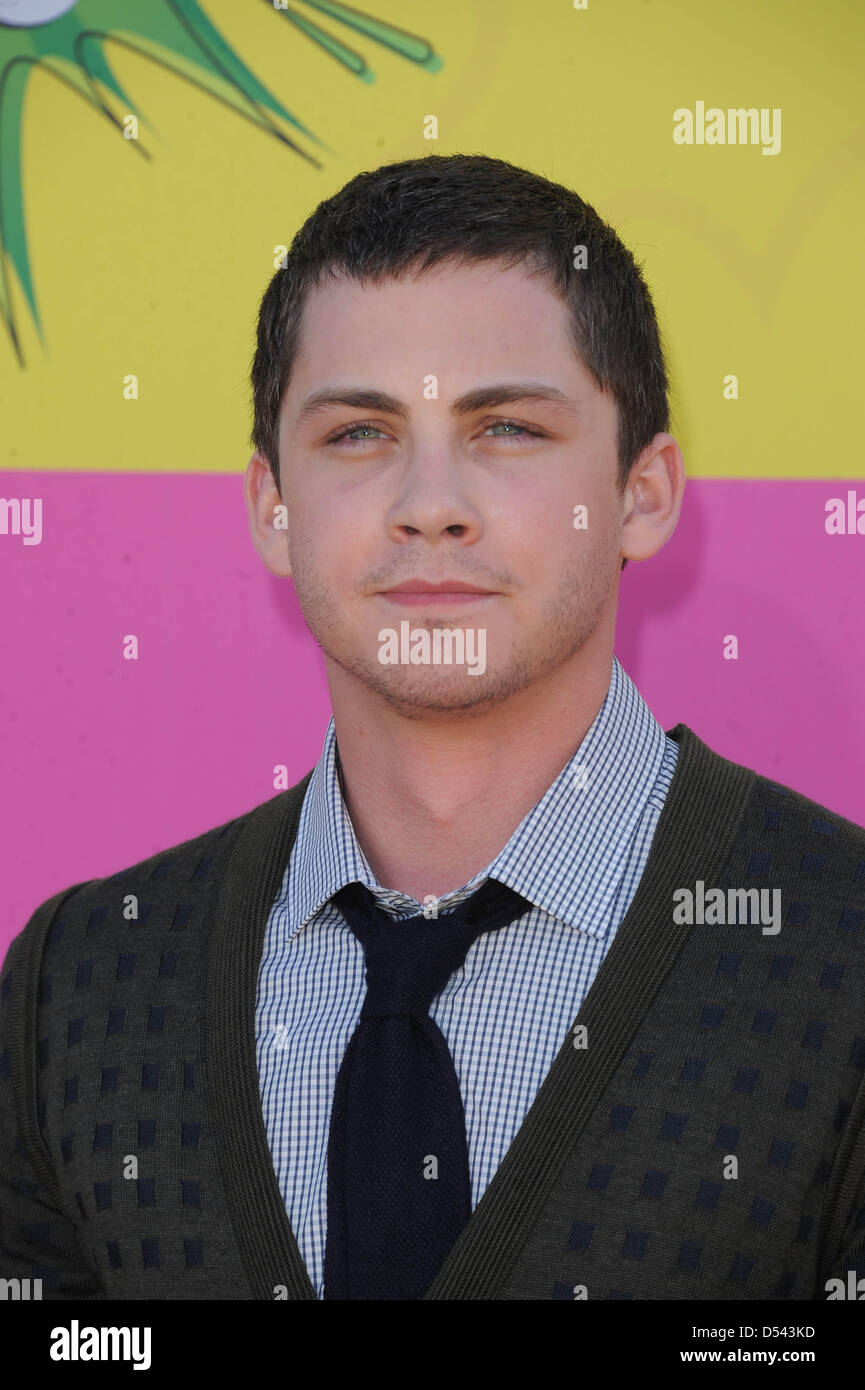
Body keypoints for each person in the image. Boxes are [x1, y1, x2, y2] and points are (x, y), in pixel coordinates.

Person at [2, 154, 863, 1302]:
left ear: (642, 492)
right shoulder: (80, 983)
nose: (429, 503)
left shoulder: (841, 956)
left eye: (505, 427)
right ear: (271, 505)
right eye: (359, 433)